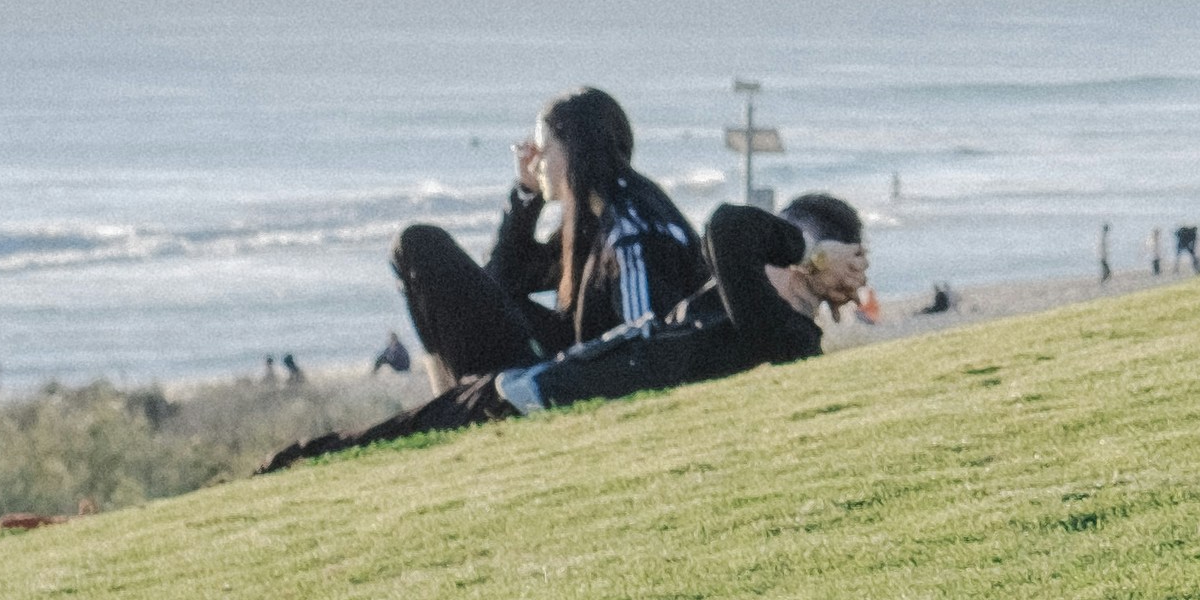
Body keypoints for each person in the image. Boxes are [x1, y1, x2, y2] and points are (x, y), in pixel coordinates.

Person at [262, 197, 876, 468]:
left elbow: (729, 227)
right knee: (373, 441)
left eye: (791, 243)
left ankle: (284, 471)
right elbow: (735, 236)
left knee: (372, 448)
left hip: (536, 401)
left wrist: (805, 252)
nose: (776, 251)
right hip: (531, 385)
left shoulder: (785, 337)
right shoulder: (739, 304)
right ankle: (282, 468)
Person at [387, 87, 712, 383]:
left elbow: (649, 341)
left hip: (588, 376)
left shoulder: (630, 229)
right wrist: (526, 195)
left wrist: (555, 379)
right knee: (416, 253)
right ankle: (451, 402)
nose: (534, 162)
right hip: (580, 362)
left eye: (542, 149)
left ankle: (452, 407)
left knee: (418, 244)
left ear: (574, 151)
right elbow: (503, 280)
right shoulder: (599, 217)